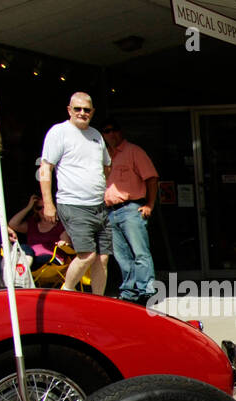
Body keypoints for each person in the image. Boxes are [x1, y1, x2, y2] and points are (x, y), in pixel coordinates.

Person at [38, 91, 110, 294]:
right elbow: (46, 168)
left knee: (102, 258)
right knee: (86, 255)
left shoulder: (96, 135)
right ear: (69, 110)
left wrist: (101, 187)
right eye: (77, 109)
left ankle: (99, 302)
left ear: (92, 112)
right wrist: (48, 203)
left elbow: (107, 165)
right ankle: (66, 292)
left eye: (86, 110)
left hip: (98, 205)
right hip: (73, 204)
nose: (82, 113)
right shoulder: (59, 132)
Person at [101, 119, 158, 303]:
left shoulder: (133, 151)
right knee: (121, 256)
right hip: (110, 210)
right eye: (106, 131)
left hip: (131, 207)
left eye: (114, 129)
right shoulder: (103, 155)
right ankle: (130, 291)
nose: (111, 134)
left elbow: (151, 178)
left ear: (120, 131)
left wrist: (149, 204)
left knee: (140, 252)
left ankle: (147, 290)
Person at [8, 194, 70, 269]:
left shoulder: (60, 225)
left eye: (45, 206)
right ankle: (26, 264)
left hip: (51, 261)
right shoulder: (32, 224)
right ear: (35, 210)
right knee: (24, 247)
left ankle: (24, 267)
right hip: (32, 259)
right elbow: (13, 224)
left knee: (35, 257)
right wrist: (28, 207)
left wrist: (63, 243)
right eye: (39, 208)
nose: (43, 210)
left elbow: (66, 244)